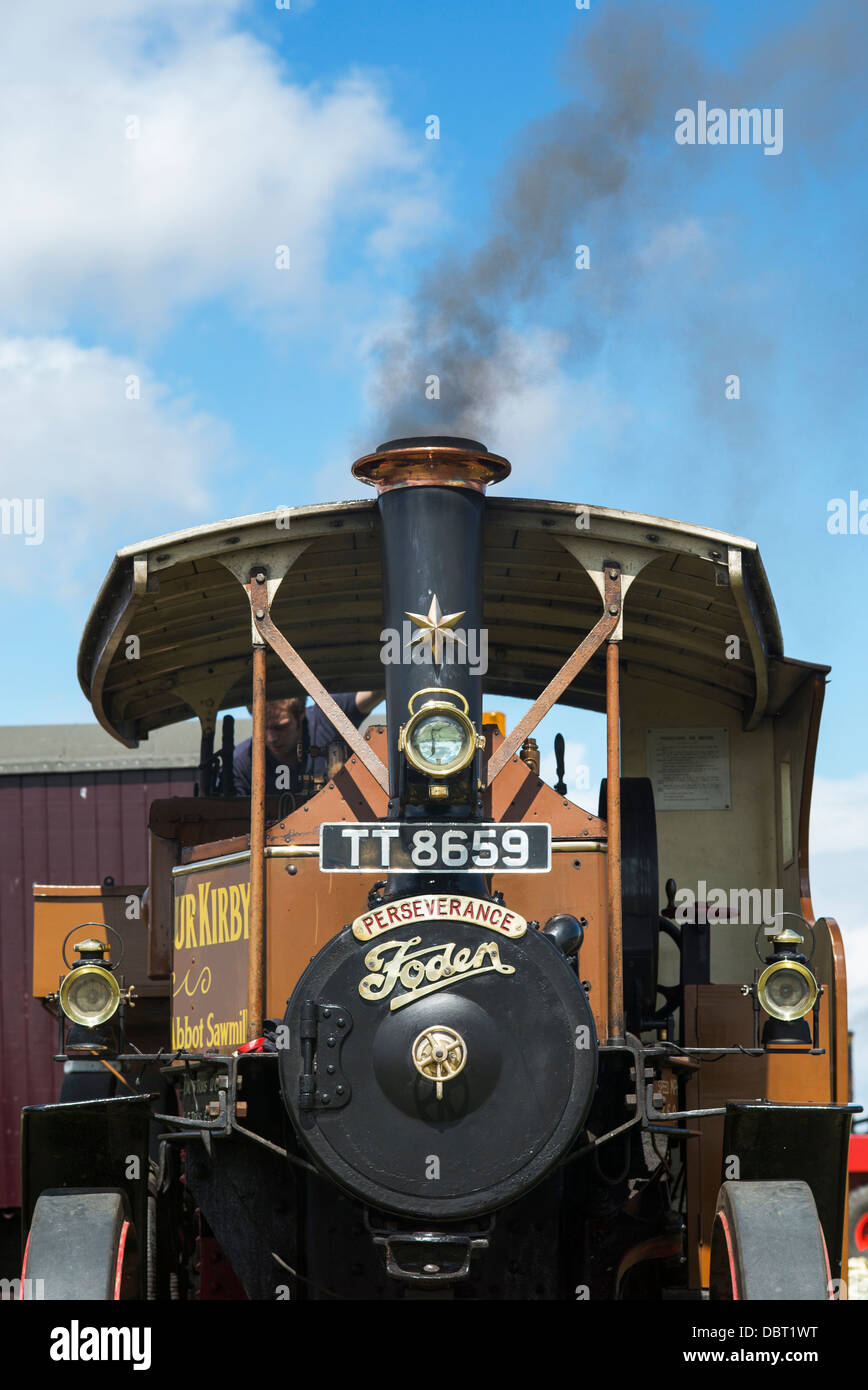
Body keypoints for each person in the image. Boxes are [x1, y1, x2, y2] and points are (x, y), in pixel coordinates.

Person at [233, 691, 382, 795]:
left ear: (301, 714)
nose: (271, 738)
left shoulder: (328, 719)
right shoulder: (243, 763)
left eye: (281, 727)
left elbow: (375, 692)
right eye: (262, 728)